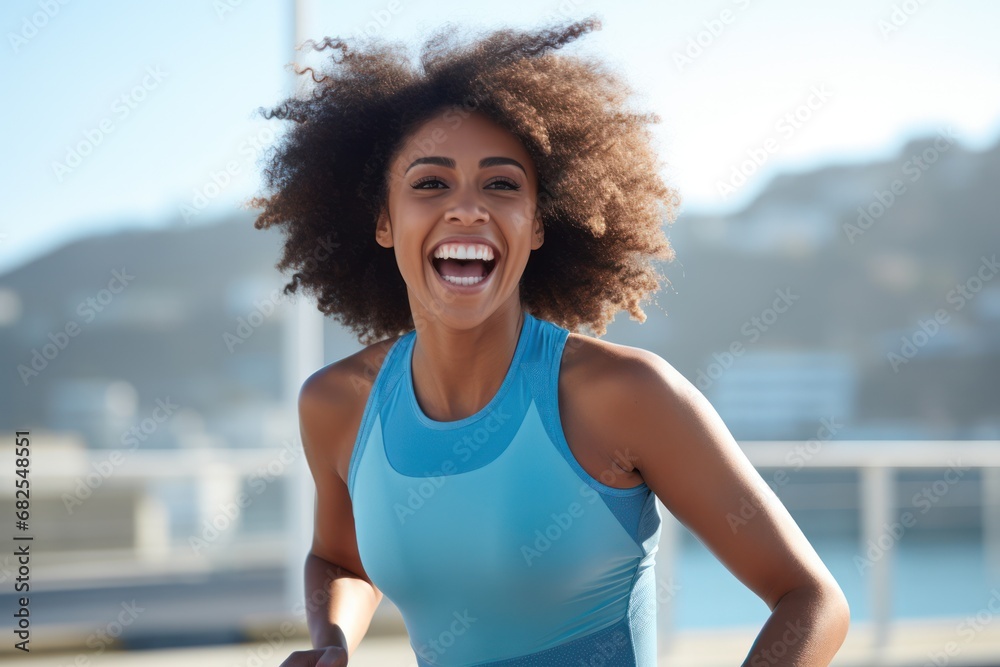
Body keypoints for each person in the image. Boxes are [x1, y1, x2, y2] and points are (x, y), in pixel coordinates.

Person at [250, 15, 849, 667]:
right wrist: (331, 640)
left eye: (502, 184)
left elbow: (812, 599)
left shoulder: (625, 395)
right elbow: (339, 558)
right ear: (385, 222)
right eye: (430, 183)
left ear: (537, 224)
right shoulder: (338, 405)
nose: (468, 208)